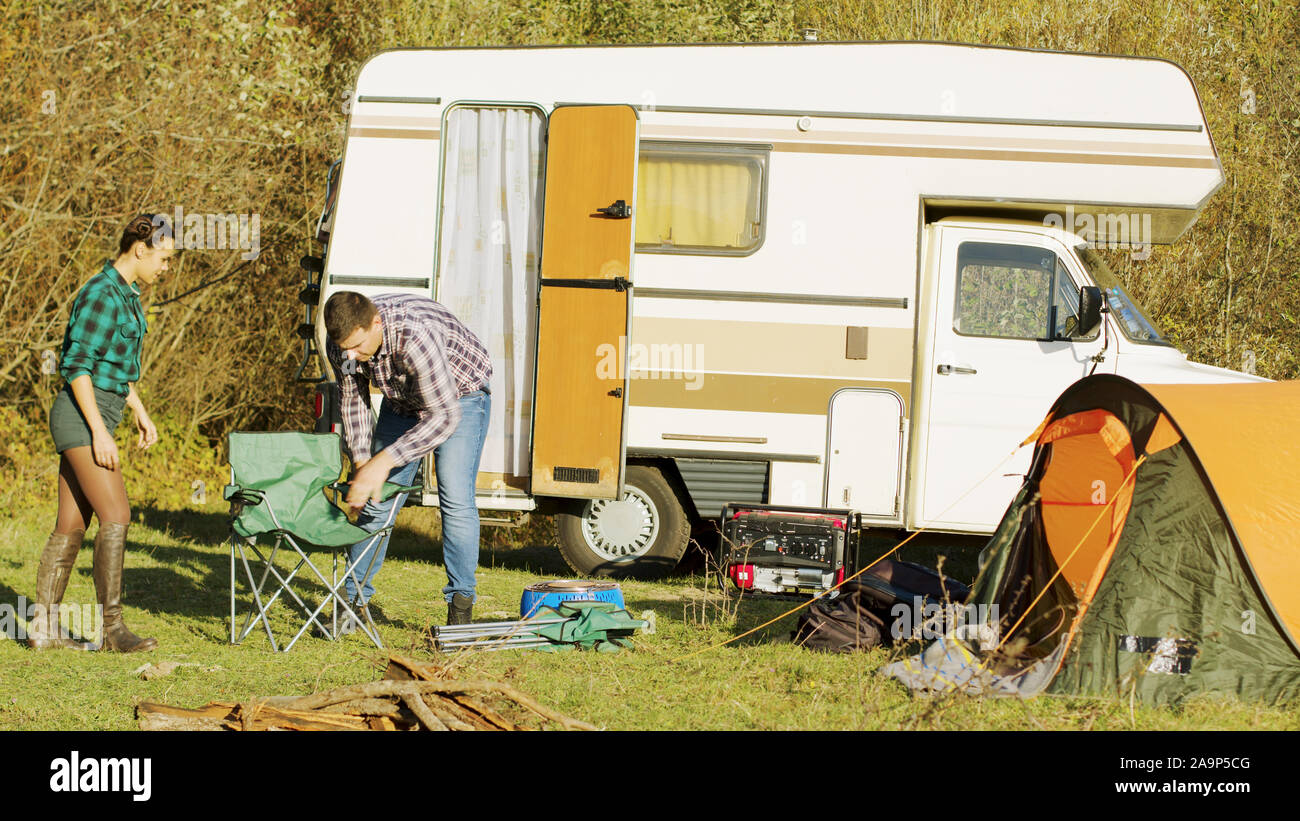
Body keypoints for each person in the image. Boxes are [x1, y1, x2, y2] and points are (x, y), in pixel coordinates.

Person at [29, 214, 173, 652]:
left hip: (102, 412)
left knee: (71, 523)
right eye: (164, 259)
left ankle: (43, 629)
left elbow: (116, 371)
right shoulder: (99, 293)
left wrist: (141, 413)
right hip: (79, 417)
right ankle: (113, 631)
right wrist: (99, 432)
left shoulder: (129, 296)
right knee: (118, 515)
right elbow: (76, 367)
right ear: (140, 249)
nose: (166, 268)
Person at [322, 291, 491, 627]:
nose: (351, 355)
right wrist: (361, 467)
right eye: (344, 349)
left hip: (460, 397)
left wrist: (382, 463)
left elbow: (444, 416)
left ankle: (460, 609)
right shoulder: (342, 345)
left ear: (375, 323)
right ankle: (352, 606)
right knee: (376, 501)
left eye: (357, 346)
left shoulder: (415, 334)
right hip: (402, 402)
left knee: (455, 500)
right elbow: (354, 404)